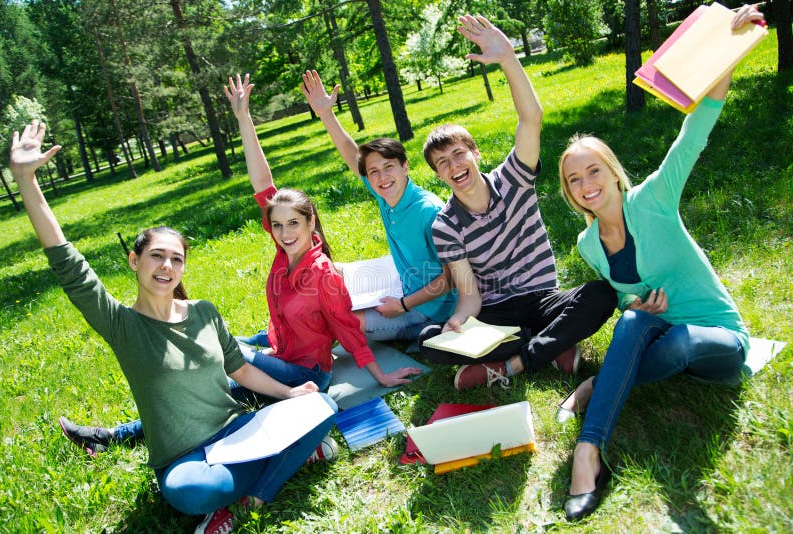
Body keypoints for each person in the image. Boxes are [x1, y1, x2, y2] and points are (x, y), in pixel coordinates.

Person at [10, 120, 337, 534]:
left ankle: (252, 498)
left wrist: (292, 393)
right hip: (187, 460)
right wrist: (27, 181)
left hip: (236, 433)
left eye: (176, 259)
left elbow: (243, 371)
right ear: (134, 261)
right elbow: (69, 267)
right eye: (156, 257)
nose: (167, 267)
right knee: (188, 493)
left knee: (322, 406)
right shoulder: (122, 325)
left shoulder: (203, 312)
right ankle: (293, 457)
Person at [556, 5, 761, 520]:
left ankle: (597, 388)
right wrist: (640, 304)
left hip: (717, 341)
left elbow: (695, 131)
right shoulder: (587, 246)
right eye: (575, 180)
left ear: (612, 171)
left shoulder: (652, 200)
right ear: (569, 192)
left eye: (594, 170)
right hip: (662, 339)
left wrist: (725, 44)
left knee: (684, 338)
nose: (587, 185)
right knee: (632, 318)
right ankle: (589, 452)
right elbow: (629, 296)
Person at [417, 14, 616, 390]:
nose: (454, 166)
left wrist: (509, 59)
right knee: (429, 338)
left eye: (459, 154)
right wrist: (458, 321)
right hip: (496, 313)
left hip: (542, 298)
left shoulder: (514, 176)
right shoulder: (445, 225)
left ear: (475, 153)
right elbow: (470, 296)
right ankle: (555, 346)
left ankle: (512, 365)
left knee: (602, 294)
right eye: (442, 163)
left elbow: (531, 119)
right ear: (438, 175)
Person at [226, 72, 421, 389]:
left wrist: (382, 377)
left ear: (310, 223)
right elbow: (262, 184)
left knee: (223, 348)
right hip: (281, 354)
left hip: (307, 375)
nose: (285, 233)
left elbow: (348, 330)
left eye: (293, 224)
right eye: (277, 225)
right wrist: (244, 117)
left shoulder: (323, 274)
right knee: (222, 390)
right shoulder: (284, 252)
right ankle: (124, 431)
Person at [274, 69, 456, 344]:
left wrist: (403, 305)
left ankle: (281, 347)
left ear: (405, 167)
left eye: (389, 167)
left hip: (430, 311)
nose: (381, 177)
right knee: (325, 297)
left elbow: (452, 278)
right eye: (373, 172)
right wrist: (326, 114)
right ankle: (275, 337)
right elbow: (352, 154)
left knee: (335, 320)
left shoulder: (428, 211)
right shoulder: (387, 195)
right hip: (402, 289)